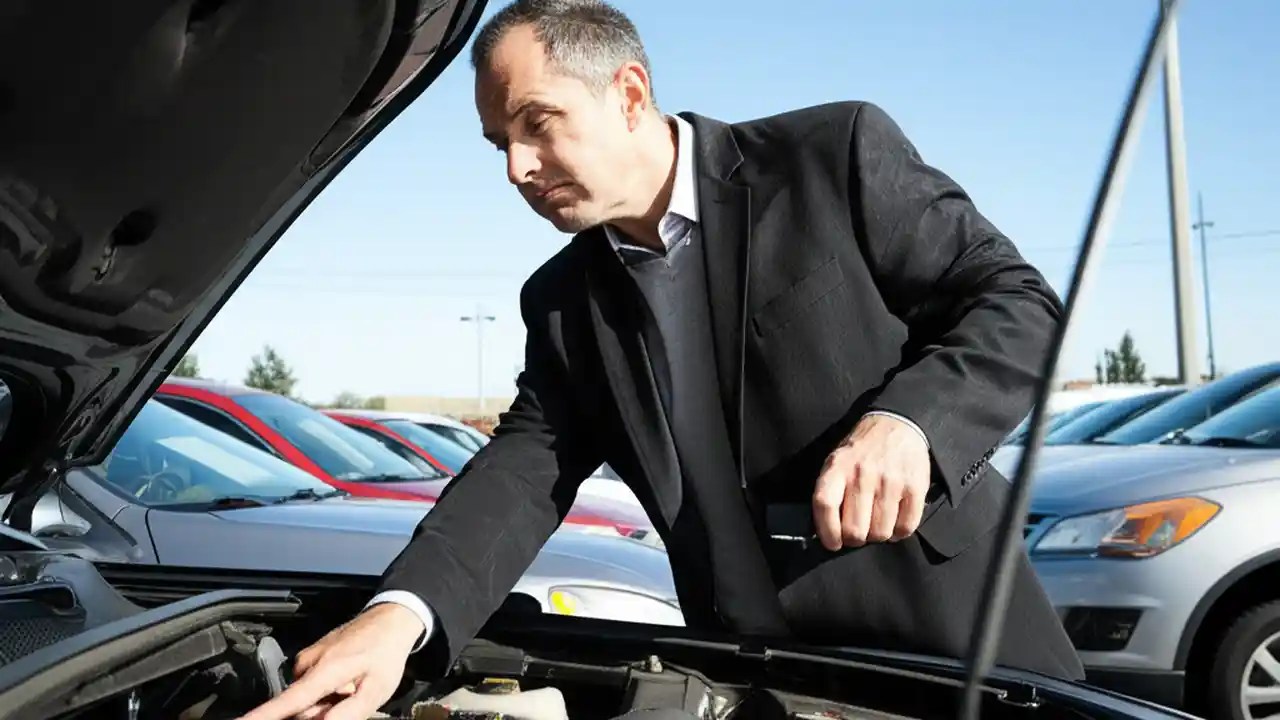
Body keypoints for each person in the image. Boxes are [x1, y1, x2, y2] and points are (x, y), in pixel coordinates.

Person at [242, 1, 1083, 717]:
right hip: (751, 684)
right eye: (499, 140)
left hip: (951, 661)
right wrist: (399, 615)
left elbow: (1017, 304)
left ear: (629, 94)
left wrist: (910, 422)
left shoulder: (832, 157)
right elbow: (520, 473)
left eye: (537, 124)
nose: (516, 169)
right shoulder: (563, 303)